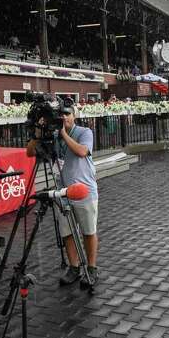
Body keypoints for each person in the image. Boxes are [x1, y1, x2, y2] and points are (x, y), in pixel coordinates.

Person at [26, 99, 99, 289]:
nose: (64, 117)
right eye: (61, 114)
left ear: (74, 116)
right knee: (67, 232)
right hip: (62, 192)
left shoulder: (84, 132)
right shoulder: (53, 136)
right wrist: (38, 134)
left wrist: (63, 134)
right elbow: (29, 152)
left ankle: (91, 268)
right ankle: (74, 267)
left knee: (88, 231)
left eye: (67, 113)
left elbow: (83, 151)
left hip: (84, 190)